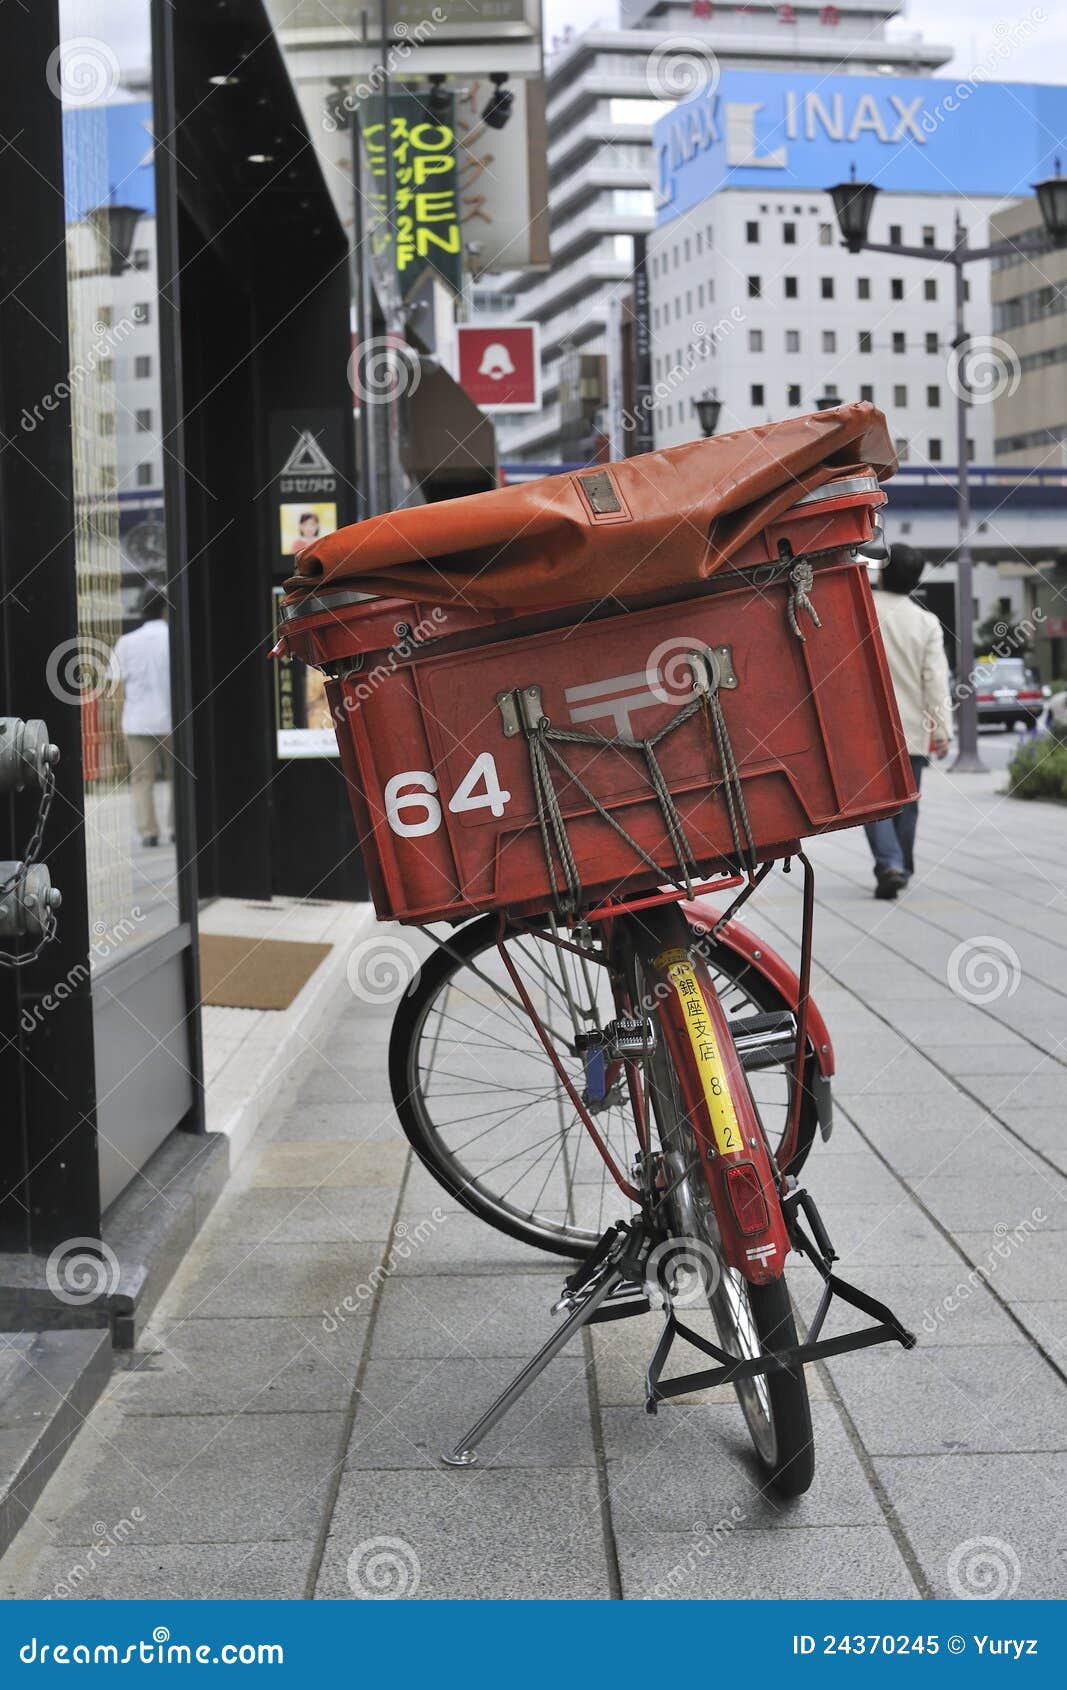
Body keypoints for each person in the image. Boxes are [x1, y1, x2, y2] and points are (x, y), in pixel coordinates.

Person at [864, 543, 952, 900]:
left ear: (882, 572)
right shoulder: (925, 622)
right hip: (913, 729)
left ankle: (890, 864)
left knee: (872, 802)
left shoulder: (862, 608)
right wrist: (942, 731)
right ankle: (899, 864)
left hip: (866, 728)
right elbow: (936, 680)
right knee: (907, 802)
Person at [110, 587, 172, 848]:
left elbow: (116, 688)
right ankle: (176, 828)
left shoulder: (126, 642)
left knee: (142, 778)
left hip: (137, 721)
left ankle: (149, 832)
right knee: (176, 777)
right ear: (165, 609)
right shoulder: (174, 637)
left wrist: (117, 720)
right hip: (173, 720)